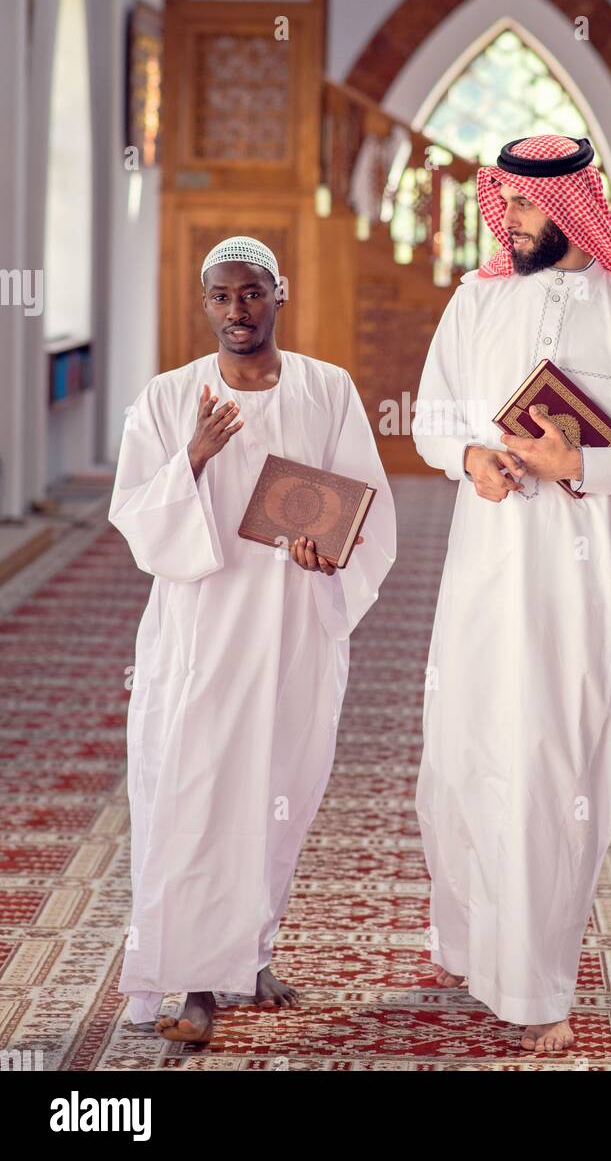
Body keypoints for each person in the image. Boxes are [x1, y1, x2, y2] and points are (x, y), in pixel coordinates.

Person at [411, 135, 611, 1054]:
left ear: (580, 208)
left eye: (535, 207)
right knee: (459, 753)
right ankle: (466, 940)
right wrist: (471, 458)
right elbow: (430, 418)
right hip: (481, 575)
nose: (518, 221)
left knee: (550, 768)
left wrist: (587, 463)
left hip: (581, 593)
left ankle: (534, 981)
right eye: (511, 204)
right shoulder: (473, 302)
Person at [109, 236, 396, 1043]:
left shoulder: (327, 387)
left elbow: (364, 502)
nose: (237, 310)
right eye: (221, 296)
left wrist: (329, 549)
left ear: (282, 293)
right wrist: (193, 460)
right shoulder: (168, 398)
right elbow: (135, 517)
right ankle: (196, 983)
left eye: (253, 292)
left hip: (296, 620)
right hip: (201, 631)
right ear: (206, 304)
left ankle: (250, 954)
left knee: (282, 795)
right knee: (195, 795)